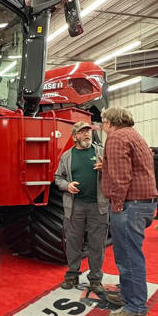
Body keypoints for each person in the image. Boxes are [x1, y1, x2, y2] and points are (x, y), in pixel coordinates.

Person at [100, 107, 158, 316]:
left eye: (103, 121)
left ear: (109, 122)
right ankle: (127, 294)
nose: (101, 125)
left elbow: (120, 178)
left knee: (129, 257)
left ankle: (135, 309)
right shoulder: (134, 135)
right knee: (128, 254)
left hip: (129, 205)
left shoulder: (116, 138)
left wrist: (116, 205)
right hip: (142, 204)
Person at [54, 121, 109, 293]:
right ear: (75, 136)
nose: (87, 134)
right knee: (73, 242)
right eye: (82, 132)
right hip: (75, 206)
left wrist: (105, 168)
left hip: (98, 207)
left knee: (97, 244)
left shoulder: (101, 152)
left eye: (88, 131)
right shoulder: (67, 156)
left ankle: (95, 279)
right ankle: (72, 275)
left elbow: (116, 172)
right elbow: (58, 178)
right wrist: (67, 186)